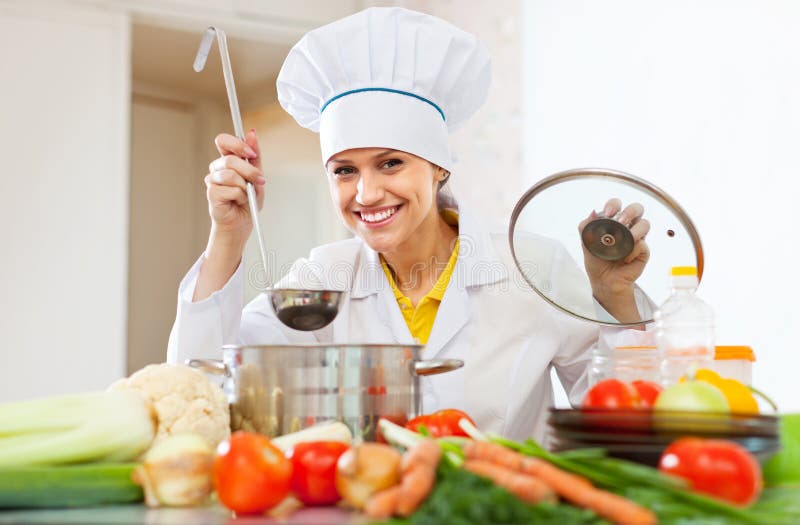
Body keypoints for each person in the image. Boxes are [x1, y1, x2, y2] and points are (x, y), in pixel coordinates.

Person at [167, 7, 649, 442]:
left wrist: (615, 299)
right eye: (345, 170)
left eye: (391, 163)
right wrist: (229, 235)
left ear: (438, 167)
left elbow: (623, 419)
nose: (367, 193)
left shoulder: (533, 268)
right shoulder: (322, 281)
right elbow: (202, 388)